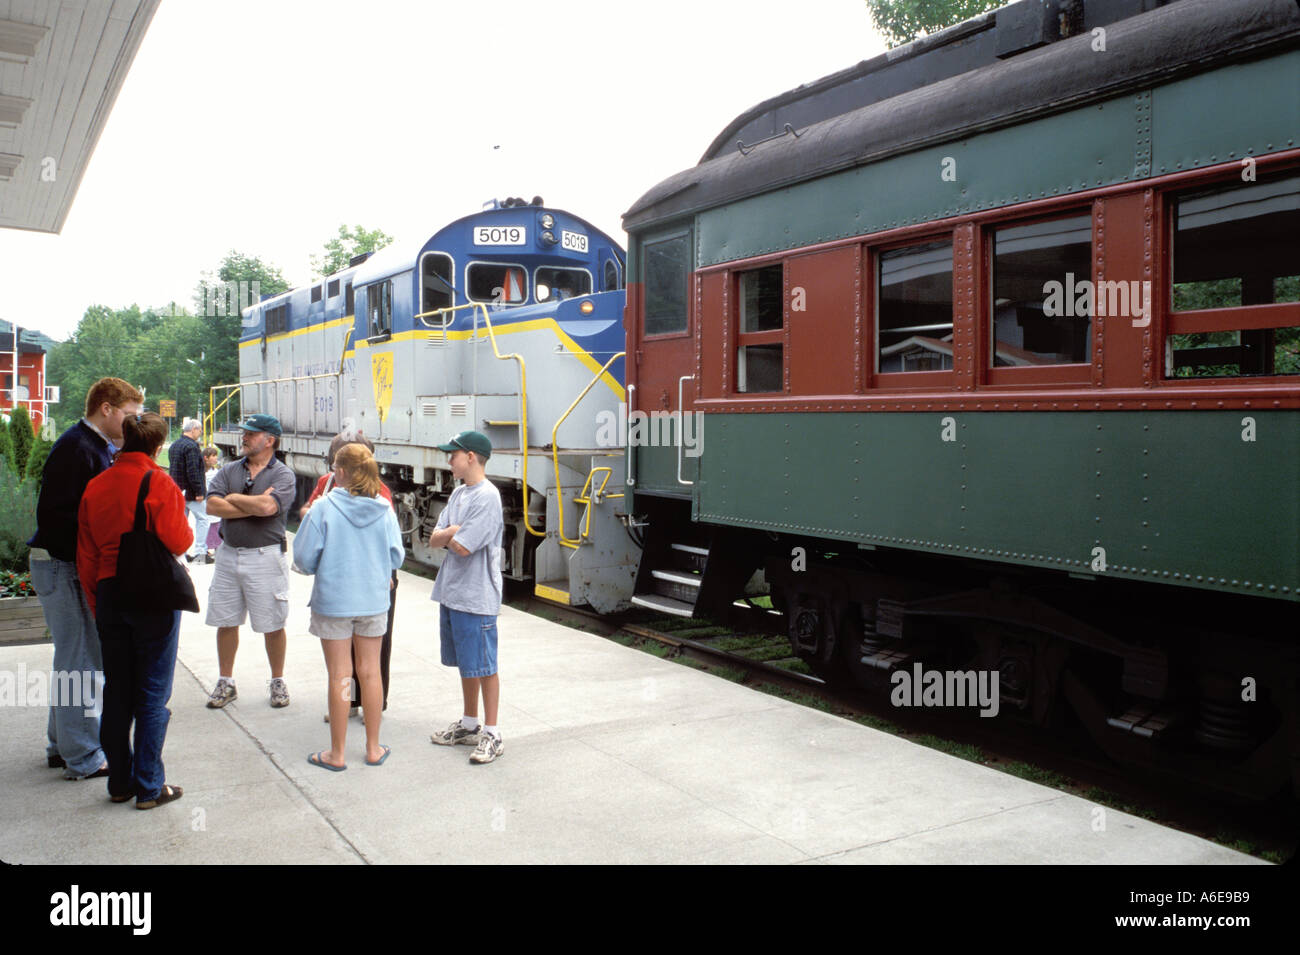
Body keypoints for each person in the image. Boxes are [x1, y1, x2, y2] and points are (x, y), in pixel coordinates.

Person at [28, 377, 142, 780]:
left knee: (73, 659)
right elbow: (58, 519)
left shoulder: (88, 446)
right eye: (129, 415)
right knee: (79, 662)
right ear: (106, 408)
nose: (133, 423)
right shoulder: (81, 449)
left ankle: (62, 745)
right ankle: (82, 756)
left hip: (62, 564)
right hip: (64, 565)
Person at [77, 412, 192, 809]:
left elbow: (86, 554)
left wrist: (97, 601)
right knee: (153, 694)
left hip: (110, 593)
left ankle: (120, 783)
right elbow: (179, 540)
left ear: (124, 439)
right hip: (152, 595)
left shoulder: (96, 485)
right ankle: (149, 787)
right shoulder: (159, 482)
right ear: (158, 447)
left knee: (118, 691)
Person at [293, 444, 404, 769]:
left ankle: (337, 754)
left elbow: (303, 558)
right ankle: (372, 748)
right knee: (370, 673)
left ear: (339, 472)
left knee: (341, 675)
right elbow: (396, 556)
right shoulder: (383, 508)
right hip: (372, 601)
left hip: (334, 601)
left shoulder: (323, 508)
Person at [202, 414, 297, 709]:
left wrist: (233, 501)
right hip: (229, 554)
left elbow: (270, 507)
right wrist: (251, 506)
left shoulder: (283, 475)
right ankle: (226, 681)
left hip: (265, 556)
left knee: (272, 622)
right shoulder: (230, 469)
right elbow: (212, 504)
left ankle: (278, 680)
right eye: (244, 433)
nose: (244, 437)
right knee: (226, 621)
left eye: (251, 434)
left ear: (269, 440)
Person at [427, 430, 505, 764]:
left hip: (476, 596)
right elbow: (433, 539)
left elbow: (460, 546)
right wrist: (452, 532)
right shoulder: (459, 494)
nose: (449, 460)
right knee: (468, 663)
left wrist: (452, 534)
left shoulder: (487, 497)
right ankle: (470, 723)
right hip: (454, 593)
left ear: (470, 457)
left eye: (453, 455)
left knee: (485, 665)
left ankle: (493, 732)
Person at [168, 418, 210, 564]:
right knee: (203, 520)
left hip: (178, 491)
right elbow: (193, 471)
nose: (201, 433)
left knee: (182, 522)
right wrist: (199, 491)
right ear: (193, 430)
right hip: (191, 493)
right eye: (200, 430)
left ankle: (182, 554)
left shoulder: (175, 445)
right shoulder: (191, 447)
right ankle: (200, 554)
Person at [202, 446, 221, 556]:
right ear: (206, 458)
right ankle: (208, 547)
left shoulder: (216, 471)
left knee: (217, 523)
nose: (216, 458)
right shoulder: (202, 473)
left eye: (216, 455)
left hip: (216, 499)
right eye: (213, 456)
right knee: (208, 524)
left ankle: (218, 546)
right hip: (206, 501)